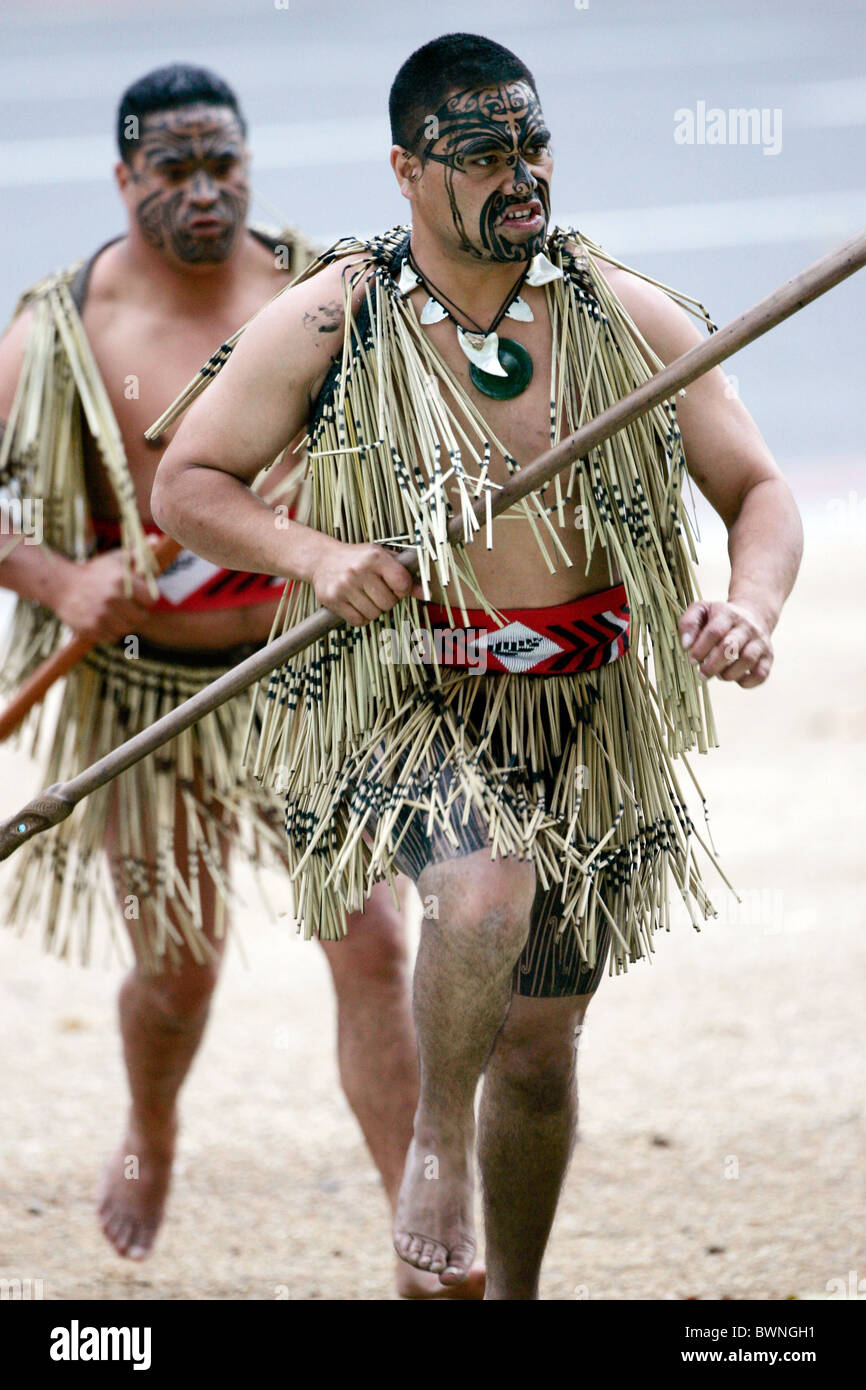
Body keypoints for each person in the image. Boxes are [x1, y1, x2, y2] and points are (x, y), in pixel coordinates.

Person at [151, 34, 803, 1300]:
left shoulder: (614, 308)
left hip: (585, 718)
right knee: (482, 892)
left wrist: (751, 604)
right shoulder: (340, 314)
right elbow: (190, 484)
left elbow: (757, 487)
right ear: (407, 171)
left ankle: (510, 1294)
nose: (522, 178)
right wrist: (314, 553)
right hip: (411, 699)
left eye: (534, 146)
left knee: (544, 1047)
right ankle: (432, 1138)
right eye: (484, 155)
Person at [0, 63, 479, 1300]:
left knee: (369, 938)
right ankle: (153, 1133)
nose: (205, 193)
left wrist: (357, 501)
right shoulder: (60, 330)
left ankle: (418, 1225)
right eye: (175, 170)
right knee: (179, 965)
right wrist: (58, 581)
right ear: (124, 180)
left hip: (304, 671)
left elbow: (453, 437)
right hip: (147, 694)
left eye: (225, 167)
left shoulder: (323, 295)